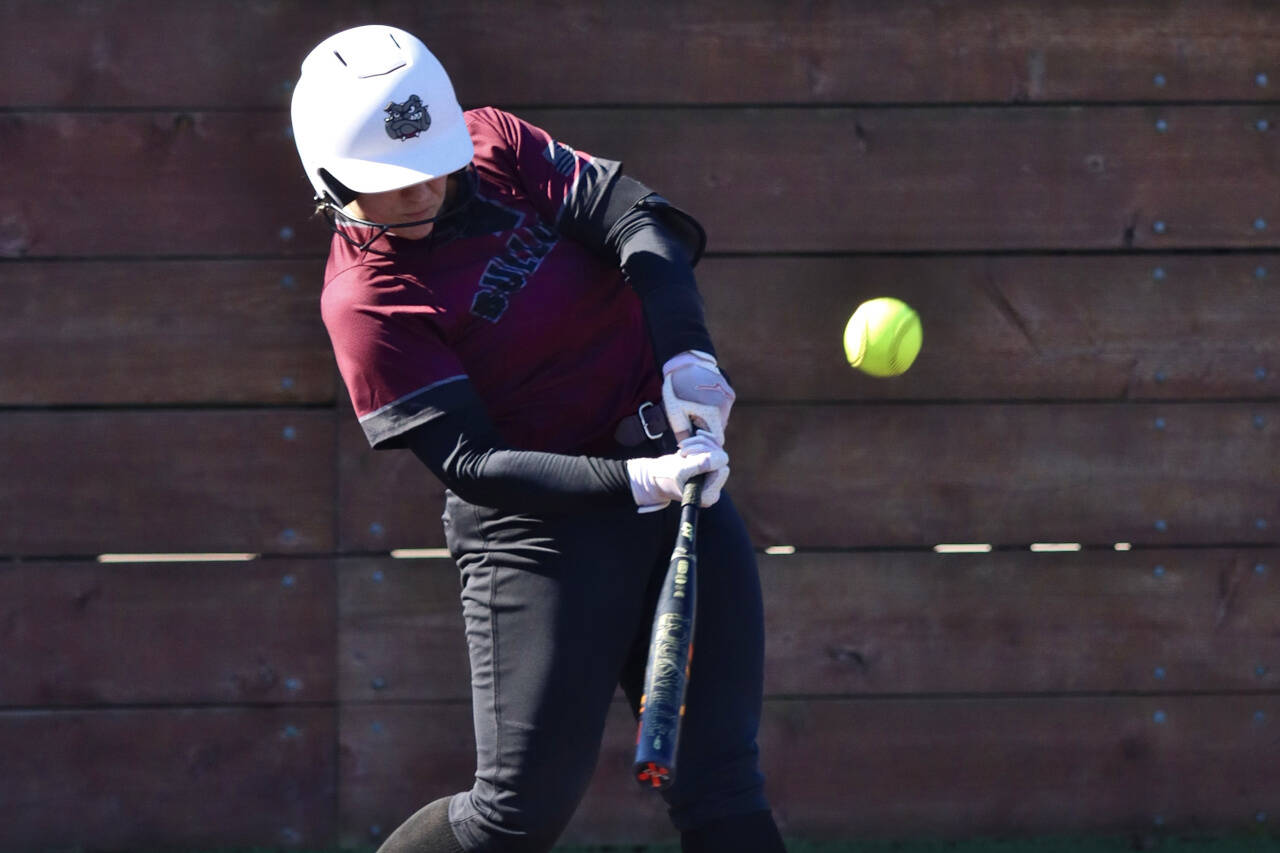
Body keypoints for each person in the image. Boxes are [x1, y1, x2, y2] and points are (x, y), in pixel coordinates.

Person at [290, 25, 787, 853]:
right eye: (393, 182)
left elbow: (636, 218)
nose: (422, 193)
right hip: (539, 539)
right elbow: (472, 463)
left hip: (677, 481)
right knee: (514, 816)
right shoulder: (364, 302)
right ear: (329, 179)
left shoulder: (493, 145)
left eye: (433, 168)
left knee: (723, 782)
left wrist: (688, 360)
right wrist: (639, 482)